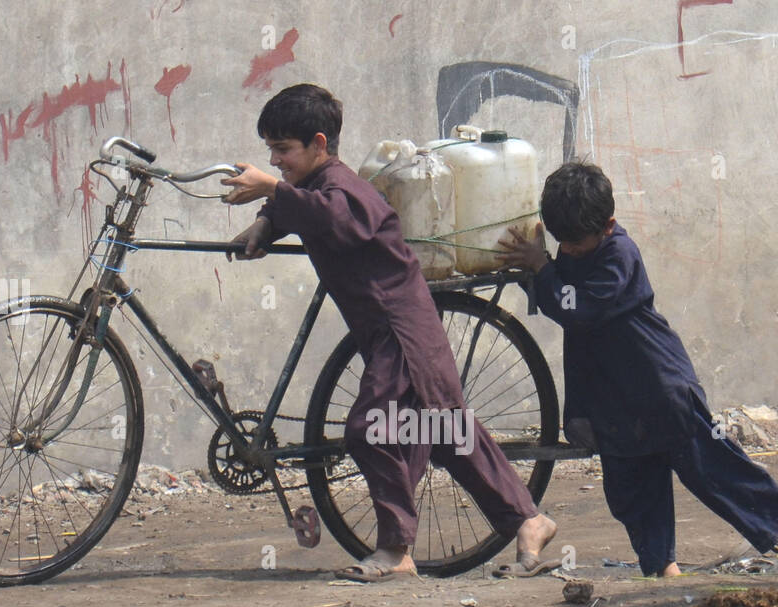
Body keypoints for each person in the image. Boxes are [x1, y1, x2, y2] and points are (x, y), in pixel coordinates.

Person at [220, 84, 558, 581]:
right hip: (389, 330)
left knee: (371, 429)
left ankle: (397, 550)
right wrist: (265, 224)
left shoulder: (348, 190)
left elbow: (334, 217)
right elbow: (302, 206)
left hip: (400, 330)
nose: (275, 160)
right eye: (270, 150)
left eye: (283, 150)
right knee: (444, 431)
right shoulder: (319, 185)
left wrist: (272, 189)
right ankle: (529, 519)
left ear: (318, 143)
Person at [497, 161, 778, 576]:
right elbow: (564, 290)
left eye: (577, 244)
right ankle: (662, 569)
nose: (571, 251)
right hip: (613, 400)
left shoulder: (620, 255)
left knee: (716, 474)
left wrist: (543, 268)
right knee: (632, 489)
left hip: (659, 388)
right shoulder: (574, 249)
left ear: (609, 225)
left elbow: (576, 309)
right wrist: (545, 264)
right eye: (563, 244)